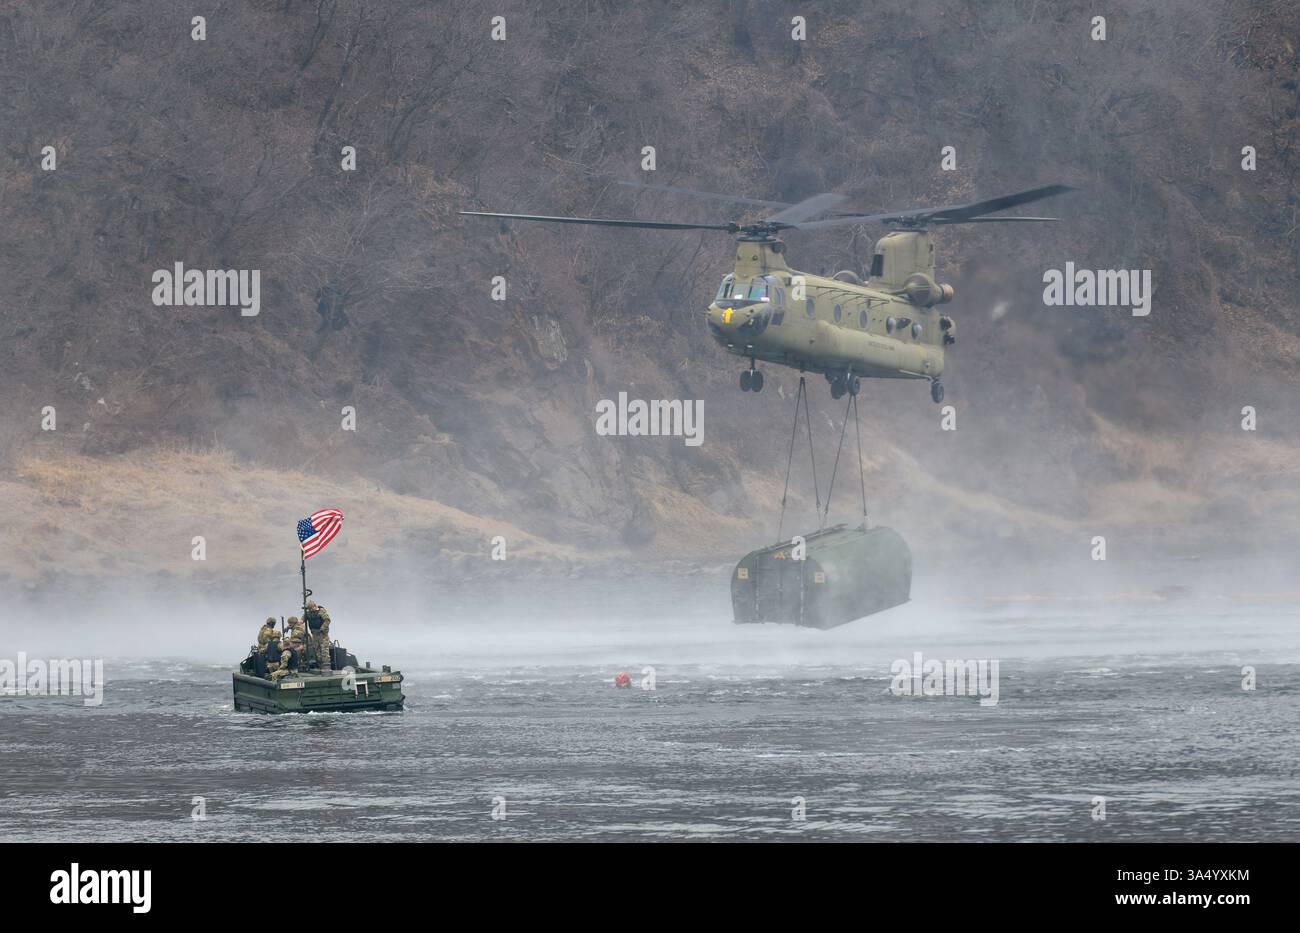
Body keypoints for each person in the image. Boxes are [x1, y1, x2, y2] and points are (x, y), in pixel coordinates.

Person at [303, 600, 332, 673]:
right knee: (317, 651)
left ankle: (326, 669)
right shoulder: (308, 613)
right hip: (314, 634)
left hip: (322, 635)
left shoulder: (321, 611)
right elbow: (302, 620)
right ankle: (320, 667)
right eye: (309, 609)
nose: (310, 610)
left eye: (311, 608)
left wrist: (322, 629)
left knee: (324, 651)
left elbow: (327, 620)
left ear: (314, 606)